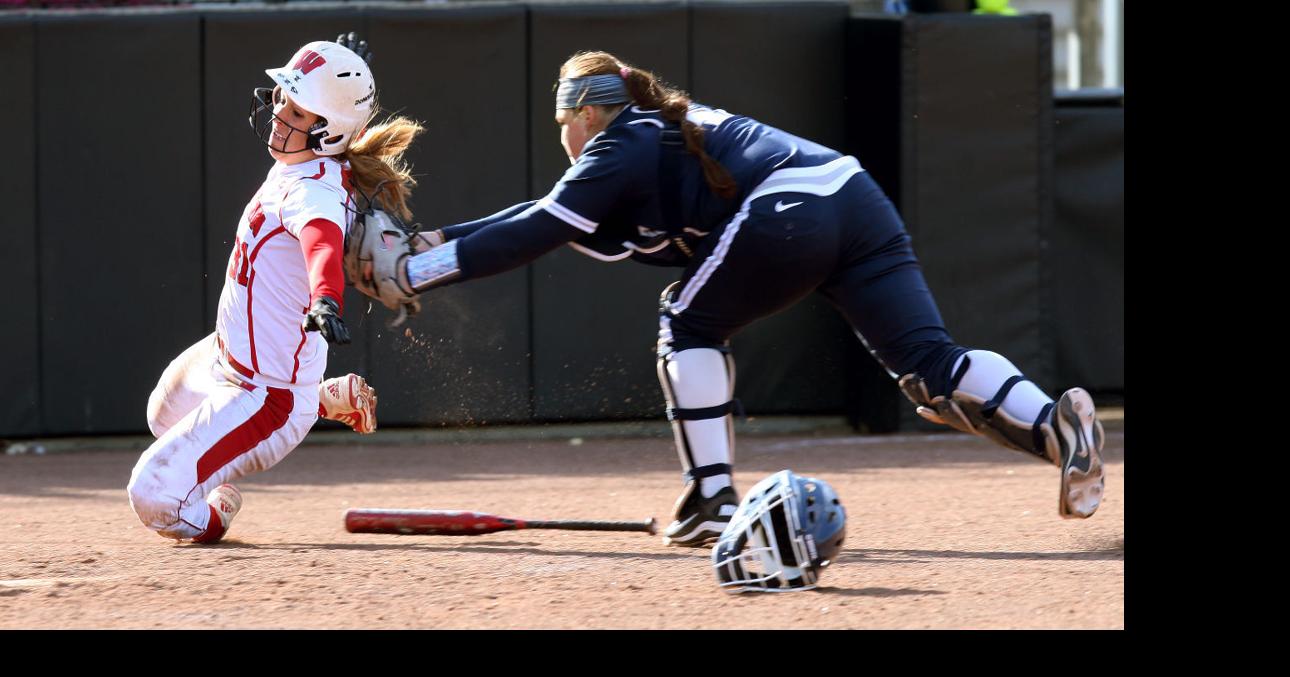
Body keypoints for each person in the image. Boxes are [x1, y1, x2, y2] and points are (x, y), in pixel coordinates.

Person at [359, 50, 1105, 547]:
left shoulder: (618, 143)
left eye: (564, 125)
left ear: (583, 115)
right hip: (854, 196)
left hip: (790, 209)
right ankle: (1054, 421)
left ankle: (712, 496)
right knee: (927, 368)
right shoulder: (648, 136)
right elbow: (543, 218)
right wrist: (433, 242)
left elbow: (547, 223)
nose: (565, 138)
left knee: (686, 323)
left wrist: (419, 272)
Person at [126, 34, 424, 544]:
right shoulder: (305, 163)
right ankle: (326, 395)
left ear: (331, 132)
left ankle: (218, 510)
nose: (280, 112)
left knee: (153, 497)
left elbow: (322, 246)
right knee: (161, 414)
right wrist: (342, 71)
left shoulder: (315, 189)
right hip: (225, 360)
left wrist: (327, 297)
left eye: (300, 109)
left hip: (266, 397)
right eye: (285, 98)